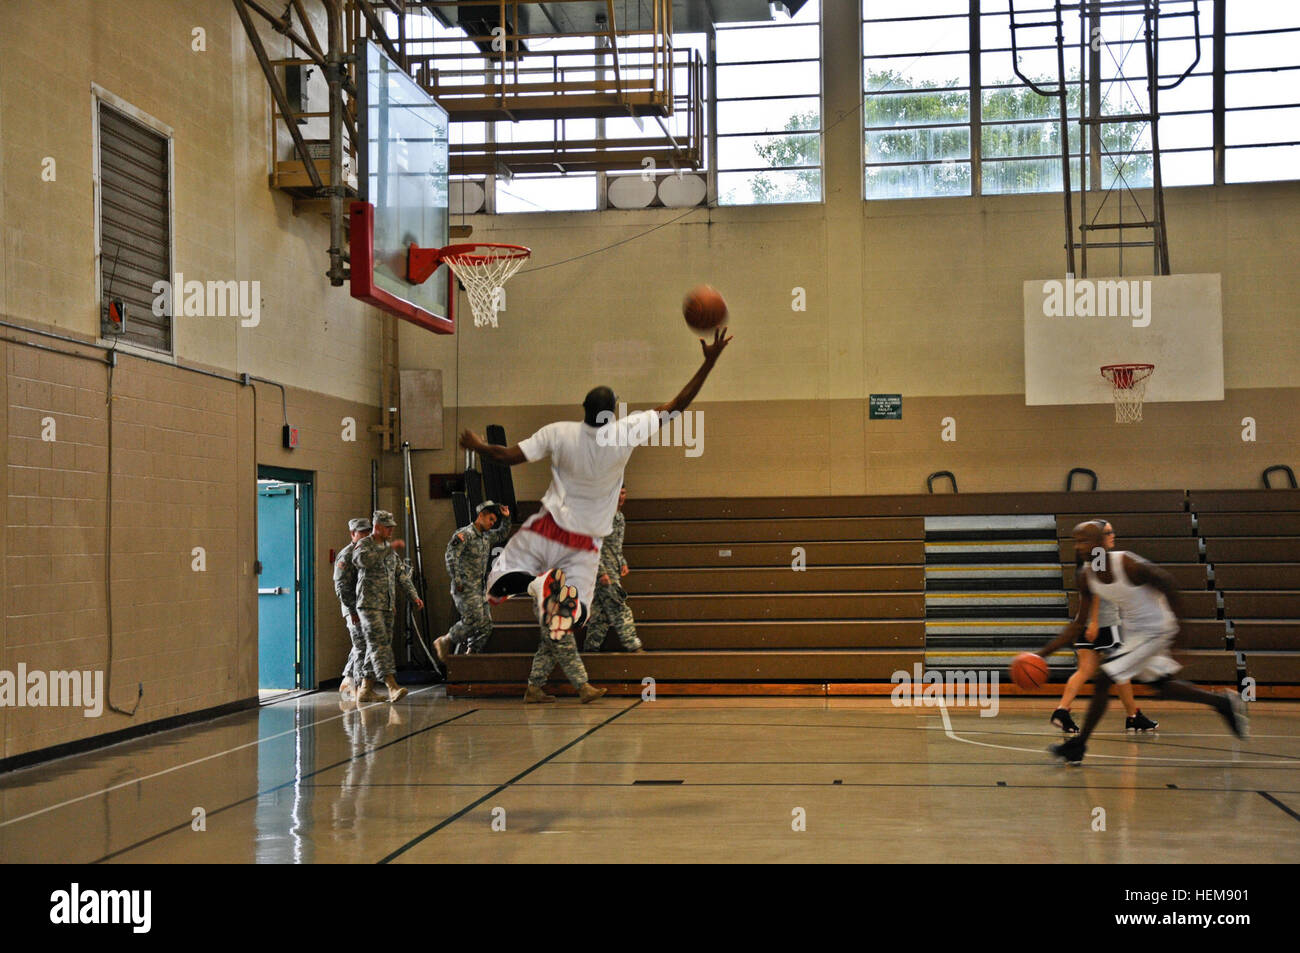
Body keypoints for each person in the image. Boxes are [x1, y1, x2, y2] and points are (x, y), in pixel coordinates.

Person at [460, 327, 732, 703]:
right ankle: (539, 588)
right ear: (611, 412)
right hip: (585, 542)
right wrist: (709, 363)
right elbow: (677, 406)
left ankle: (521, 588)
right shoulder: (625, 432)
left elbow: (506, 457)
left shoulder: (560, 432)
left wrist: (477, 446)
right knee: (577, 611)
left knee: (505, 577)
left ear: (585, 412)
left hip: (549, 528)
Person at [1035, 521, 1247, 765]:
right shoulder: (1086, 576)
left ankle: (1079, 745)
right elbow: (1078, 624)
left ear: (1102, 543)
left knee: (1105, 676)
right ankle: (1222, 702)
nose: (1080, 545)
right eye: (1077, 540)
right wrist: (1042, 655)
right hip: (1134, 632)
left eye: (1086, 540)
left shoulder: (1127, 563)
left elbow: (1168, 585)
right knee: (1161, 687)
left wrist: (1181, 637)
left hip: (1158, 628)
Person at [1050, 520, 1158, 733]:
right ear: (1098, 537)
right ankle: (1133, 716)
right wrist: (1096, 623)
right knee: (1121, 671)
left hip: (1089, 622)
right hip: (1104, 624)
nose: (1112, 535)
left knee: (1085, 670)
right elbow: (1097, 589)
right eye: (1108, 532)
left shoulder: (1090, 558)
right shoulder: (1099, 557)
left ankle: (1062, 711)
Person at [352, 509, 425, 703]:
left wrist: (414, 596)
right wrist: (386, 549)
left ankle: (366, 688)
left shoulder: (389, 549)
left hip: (386, 606)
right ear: (377, 527)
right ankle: (391, 686)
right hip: (368, 605)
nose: (391, 530)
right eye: (388, 527)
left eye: (392, 527)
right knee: (379, 645)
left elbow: (400, 575)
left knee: (376, 646)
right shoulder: (364, 544)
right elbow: (361, 561)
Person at [434, 501, 512, 661]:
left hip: (479, 589)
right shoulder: (465, 534)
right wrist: (457, 581)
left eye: (494, 522)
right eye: (490, 519)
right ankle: (446, 640)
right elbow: (451, 557)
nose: (492, 524)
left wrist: (506, 518)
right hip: (464, 587)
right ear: (481, 515)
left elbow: (502, 534)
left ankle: (470, 657)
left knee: (486, 626)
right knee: (474, 620)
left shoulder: (486, 536)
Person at [585, 485, 643, 653]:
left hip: (613, 569)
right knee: (619, 608)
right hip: (602, 571)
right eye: (618, 493)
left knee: (601, 613)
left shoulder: (619, 517)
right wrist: (601, 572)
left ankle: (591, 648)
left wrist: (622, 562)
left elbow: (615, 545)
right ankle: (633, 645)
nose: (621, 497)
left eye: (624, 493)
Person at [335, 517, 374, 701]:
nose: (366, 535)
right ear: (353, 534)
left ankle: (349, 678)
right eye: (362, 533)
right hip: (354, 610)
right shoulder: (347, 555)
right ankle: (359, 687)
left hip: (367, 608)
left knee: (361, 644)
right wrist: (353, 611)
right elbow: (342, 587)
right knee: (362, 647)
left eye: (368, 532)